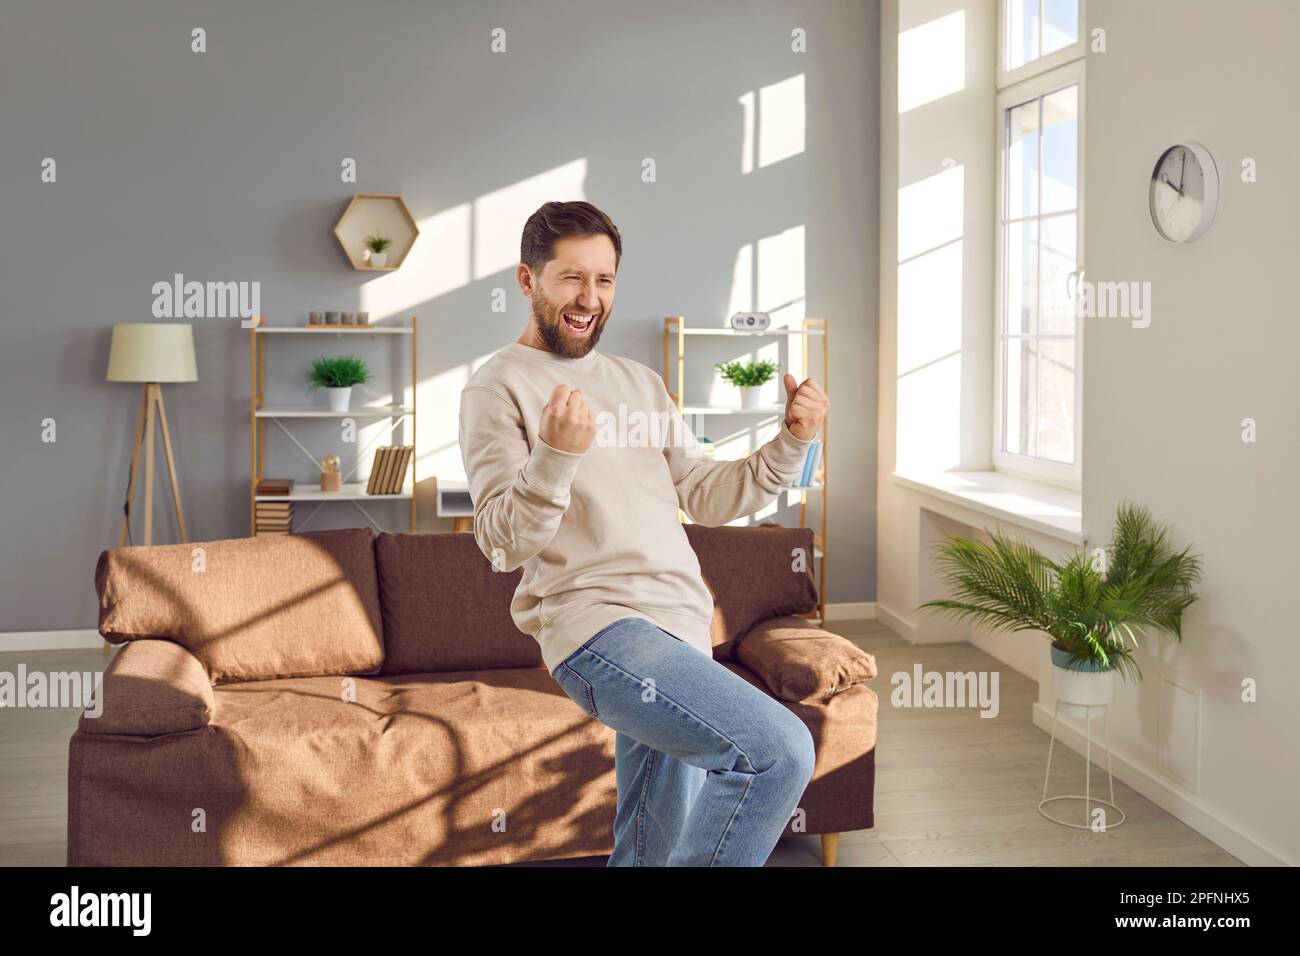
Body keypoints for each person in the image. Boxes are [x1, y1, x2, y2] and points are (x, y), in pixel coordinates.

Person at [457, 200, 830, 866]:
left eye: (603, 280)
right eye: (571, 277)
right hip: (601, 631)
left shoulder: (639, 383)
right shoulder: (497, 387)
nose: (589, 297)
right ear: (527, 280)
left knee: (649, 842)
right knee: (777, 753)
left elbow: (710, 496)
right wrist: (556, 455)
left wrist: (792, 440)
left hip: (680, 629)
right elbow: (501, 540)